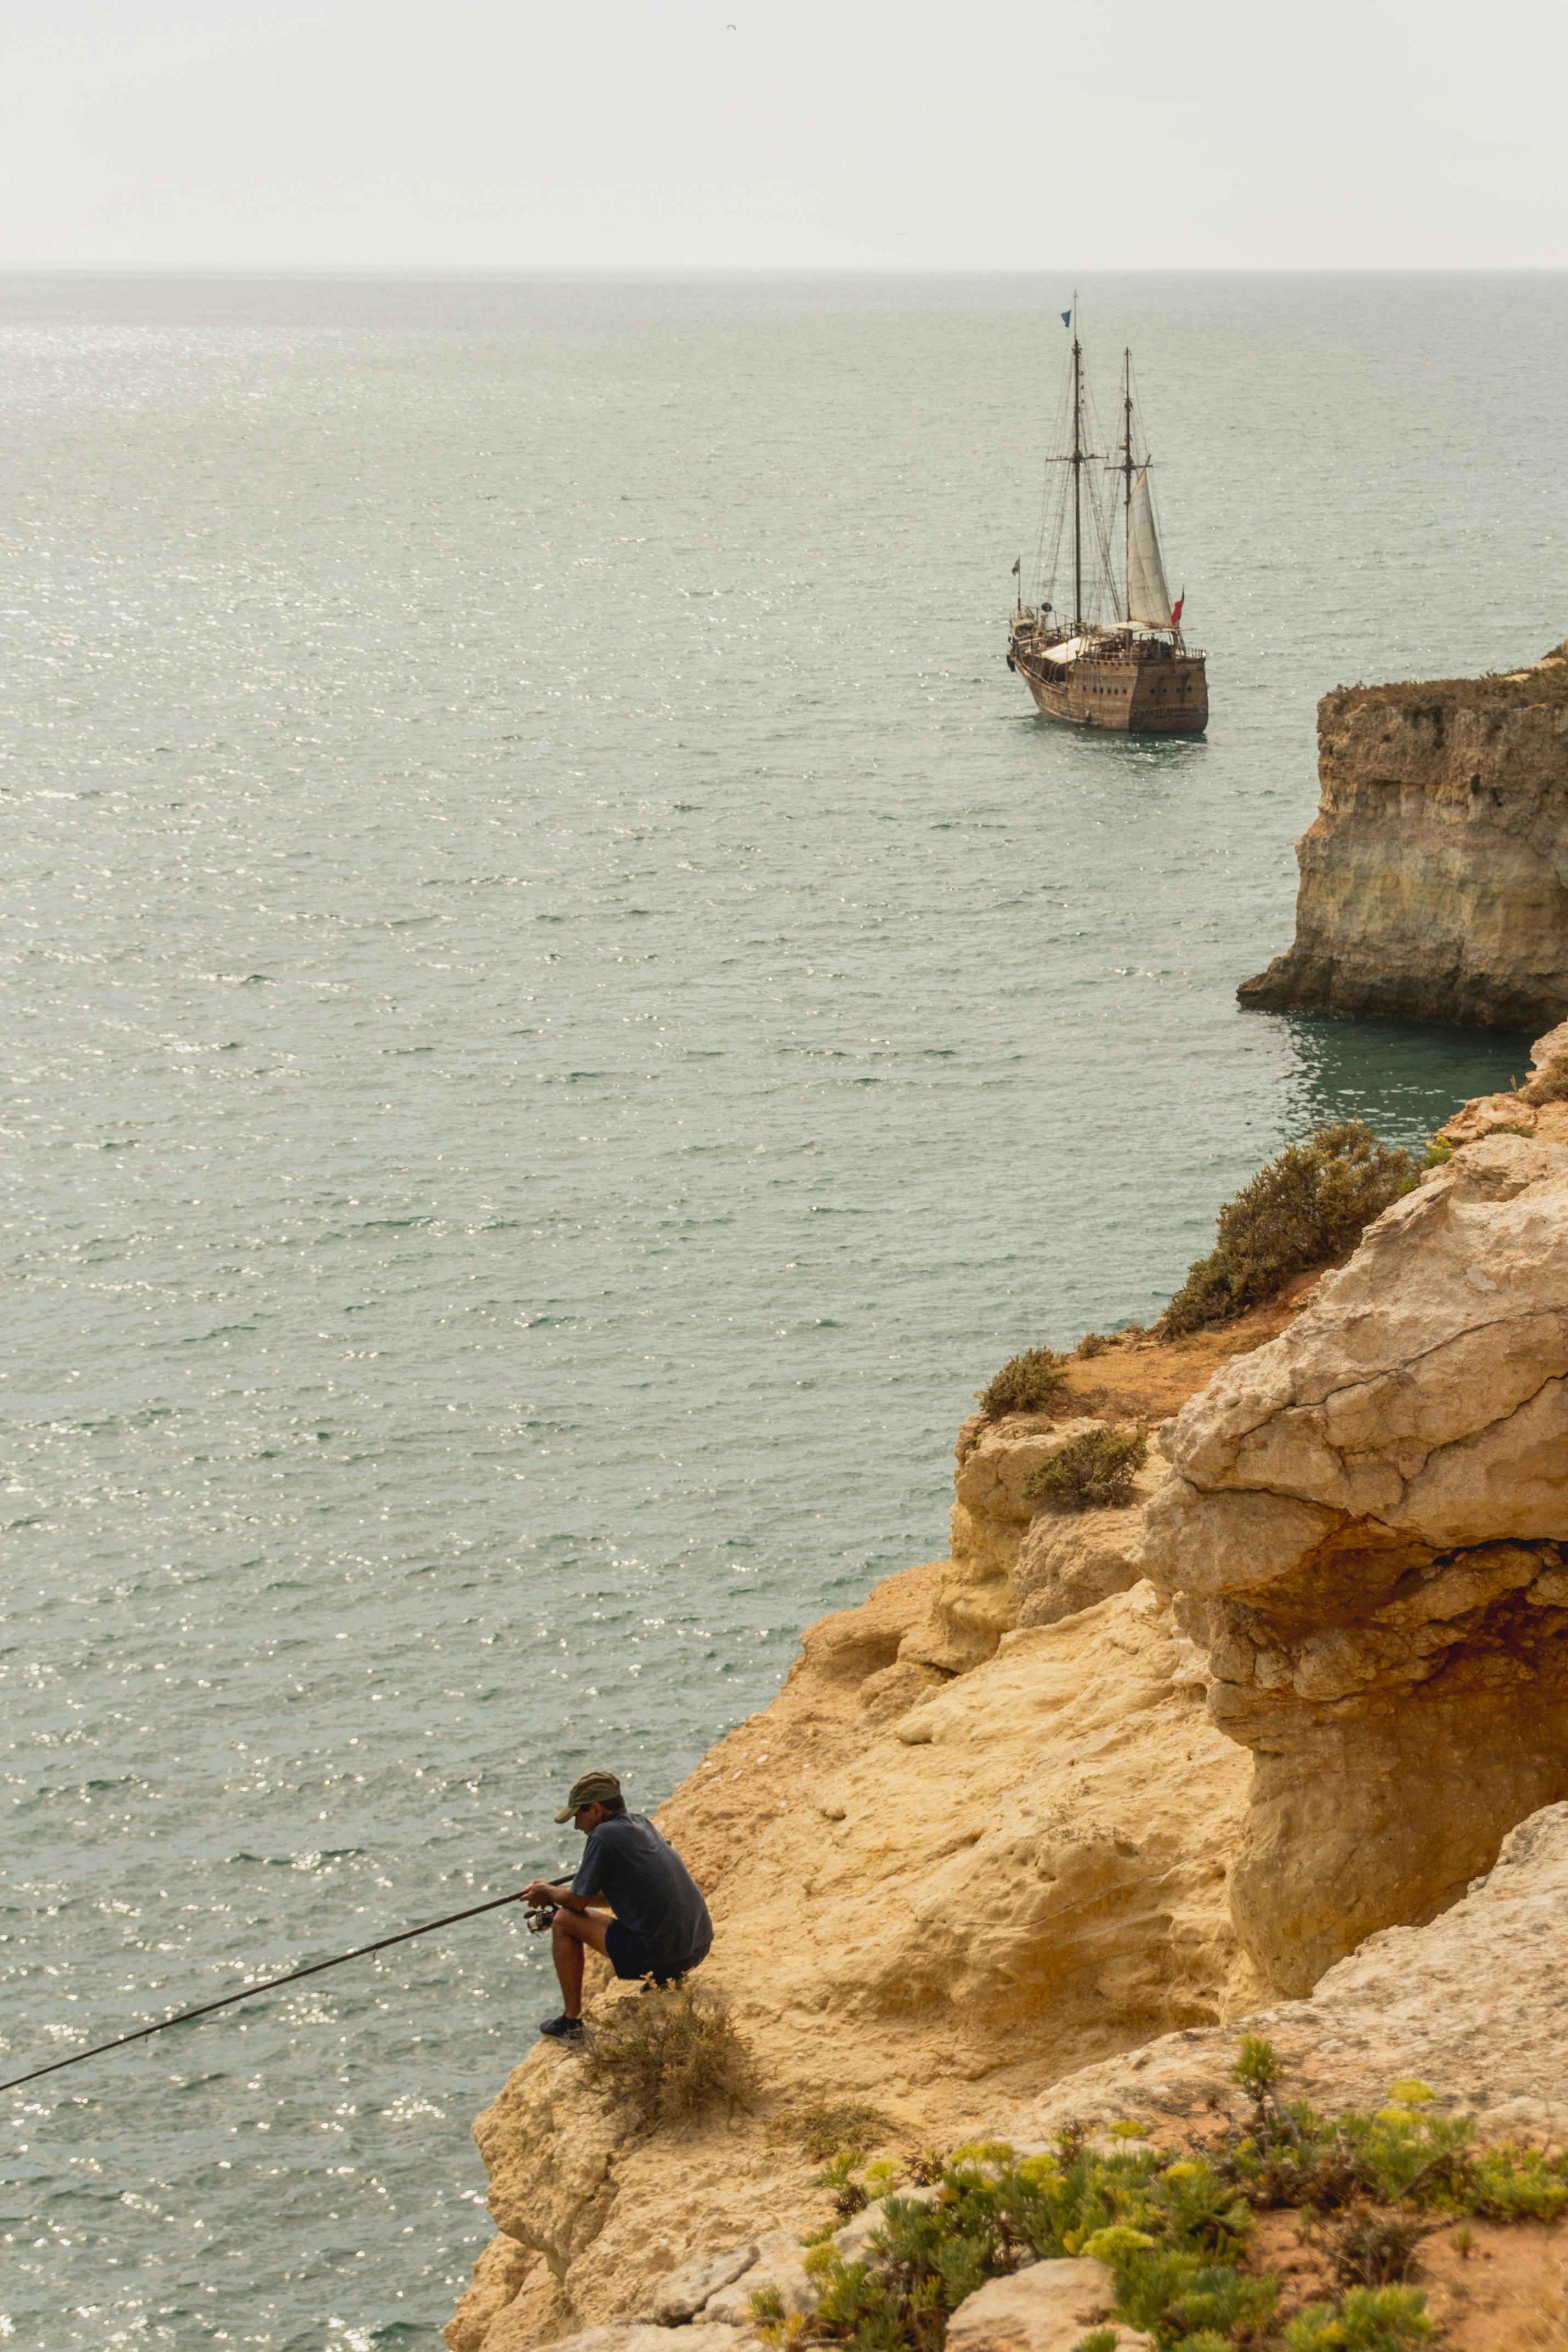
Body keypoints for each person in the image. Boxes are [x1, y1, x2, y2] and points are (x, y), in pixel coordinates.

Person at [524, 1769, 713, 2041]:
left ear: (597, 1809)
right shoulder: (641, 1824)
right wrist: (554, 1894)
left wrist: (547, 1892)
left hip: (664, 1957)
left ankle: (571, 2023)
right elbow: (616, 1895)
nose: (576, 1826)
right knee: (573, 1912)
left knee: (563, 1920)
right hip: (697, 1947)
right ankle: (665, 1979)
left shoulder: (602, 1836)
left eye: (578, 1816)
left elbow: (576, 1903)